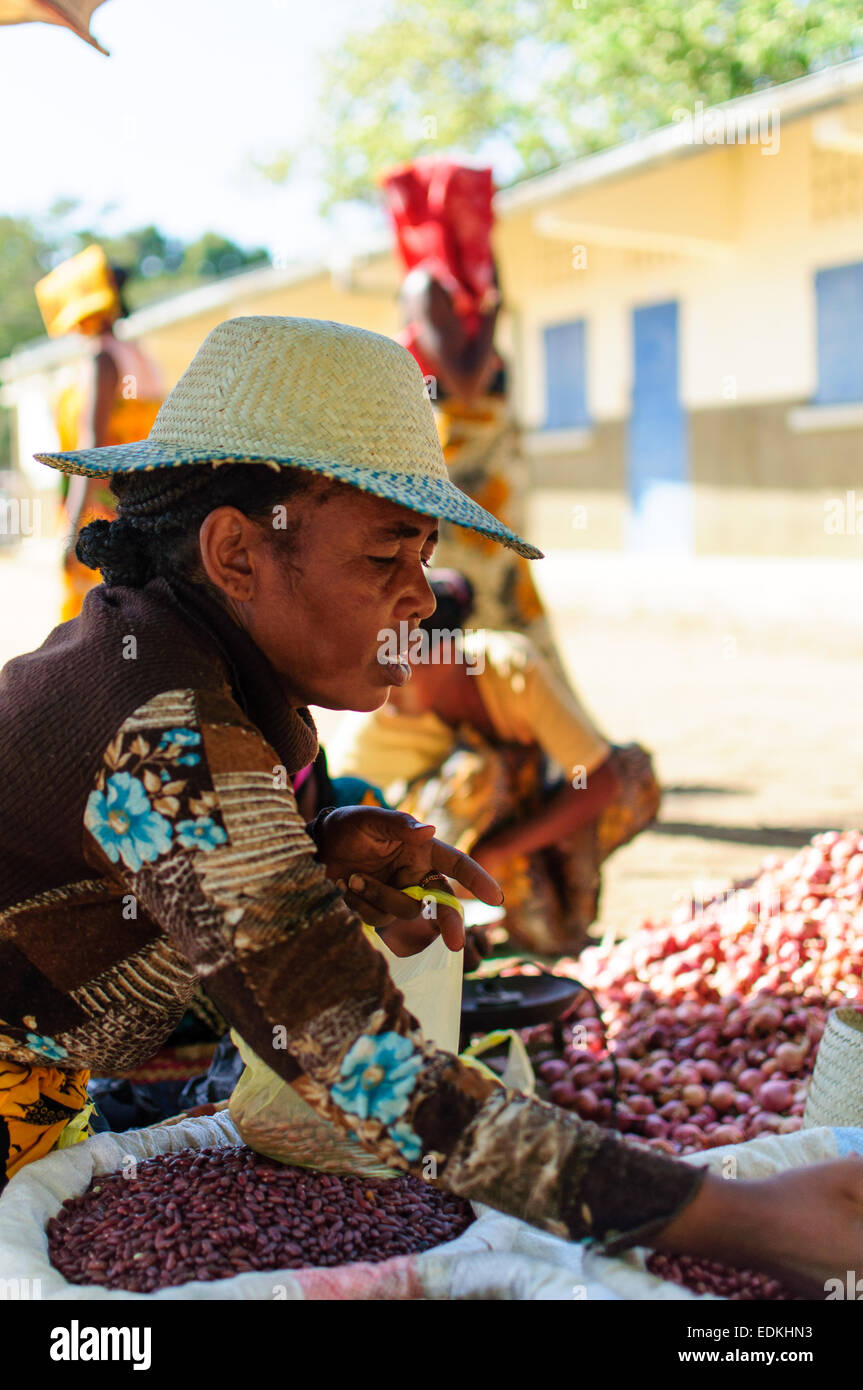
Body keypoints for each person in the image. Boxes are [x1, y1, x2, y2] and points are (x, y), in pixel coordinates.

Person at [1, 316, 861, 1294]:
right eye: (383, 560)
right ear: (237, 553)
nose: (419, 598)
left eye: (423, 558)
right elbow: (370, 1074)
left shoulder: (178, 663)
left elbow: (132, 864)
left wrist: (313, 850)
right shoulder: (164, 730)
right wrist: (750, 1214)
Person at [330, 571, 660, 955]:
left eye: (401, 659)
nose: (387, 676)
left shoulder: (510, 668)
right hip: (460, 850)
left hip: (526, 828)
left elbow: (599, 779)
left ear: (444, 652)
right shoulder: (385, 710)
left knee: (633, 774)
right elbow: (338, 800)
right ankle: (457, 912)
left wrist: (501, 851)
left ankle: (551, 891)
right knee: (476, 774)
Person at [381, 158, 567, 682]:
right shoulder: (426, 286)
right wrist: (491, 311)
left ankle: (525, 714)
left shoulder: (460, 285)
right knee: (473, 594)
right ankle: (475, 709)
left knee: (505, 590)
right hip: (464, 475)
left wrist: (490, 290)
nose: (483, 227)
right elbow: (464, 383)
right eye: (472, 213)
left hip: (491, 475)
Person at [35, 244, 164, 621]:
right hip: (142, 510)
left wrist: (73, 533)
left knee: (88, 628)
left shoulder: (99, 360)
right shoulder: (138, 355)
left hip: (101, 518)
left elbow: (92, 452)